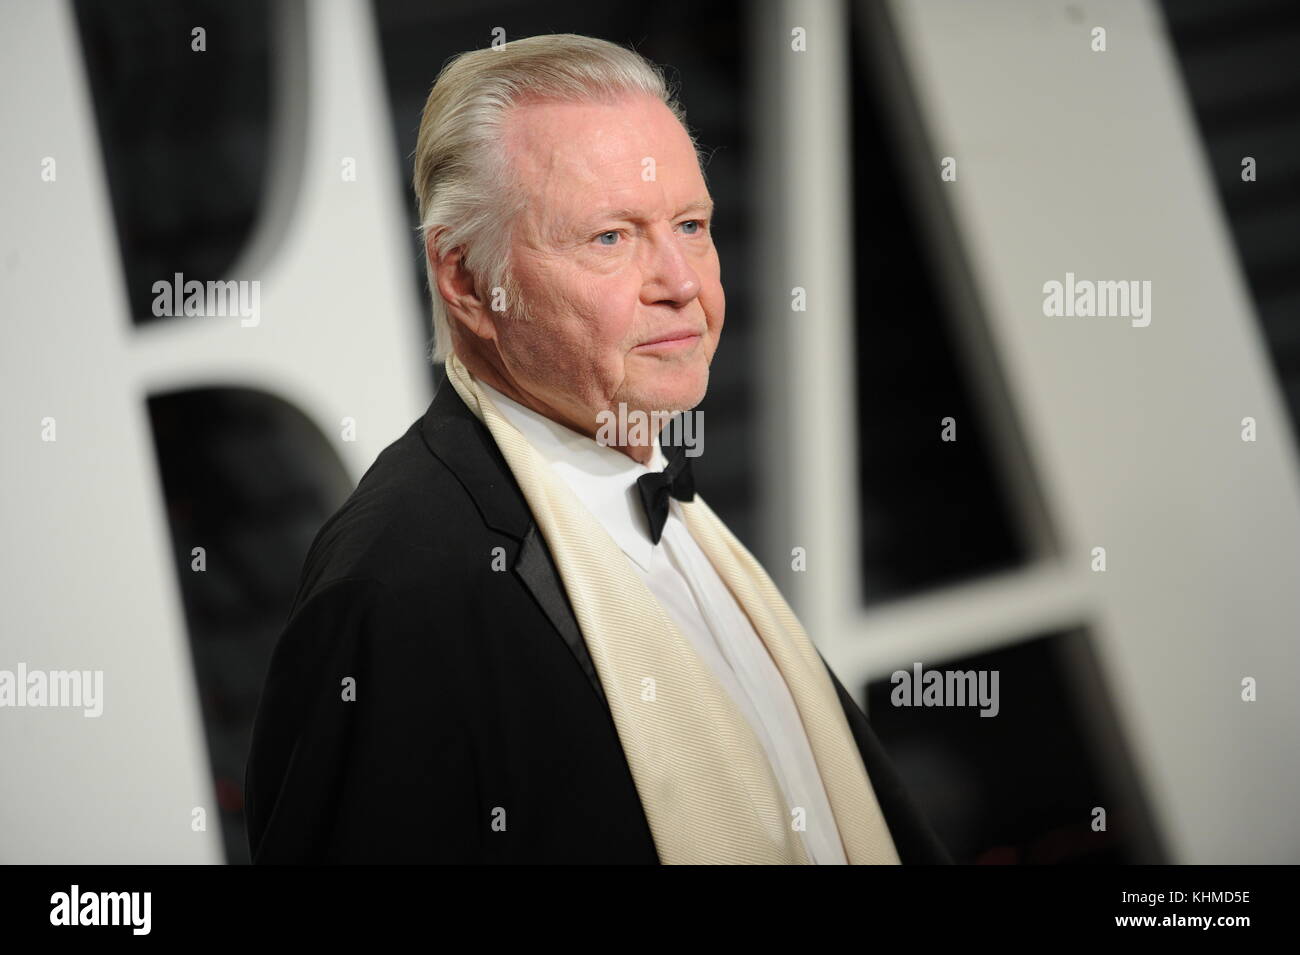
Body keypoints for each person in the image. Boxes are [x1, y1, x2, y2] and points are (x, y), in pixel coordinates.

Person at [245, 33, 951, 865]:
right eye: (611, 238)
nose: (682, 281)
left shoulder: (677, 510)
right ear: (468, 281)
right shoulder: (393, 587)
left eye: (691, 225)